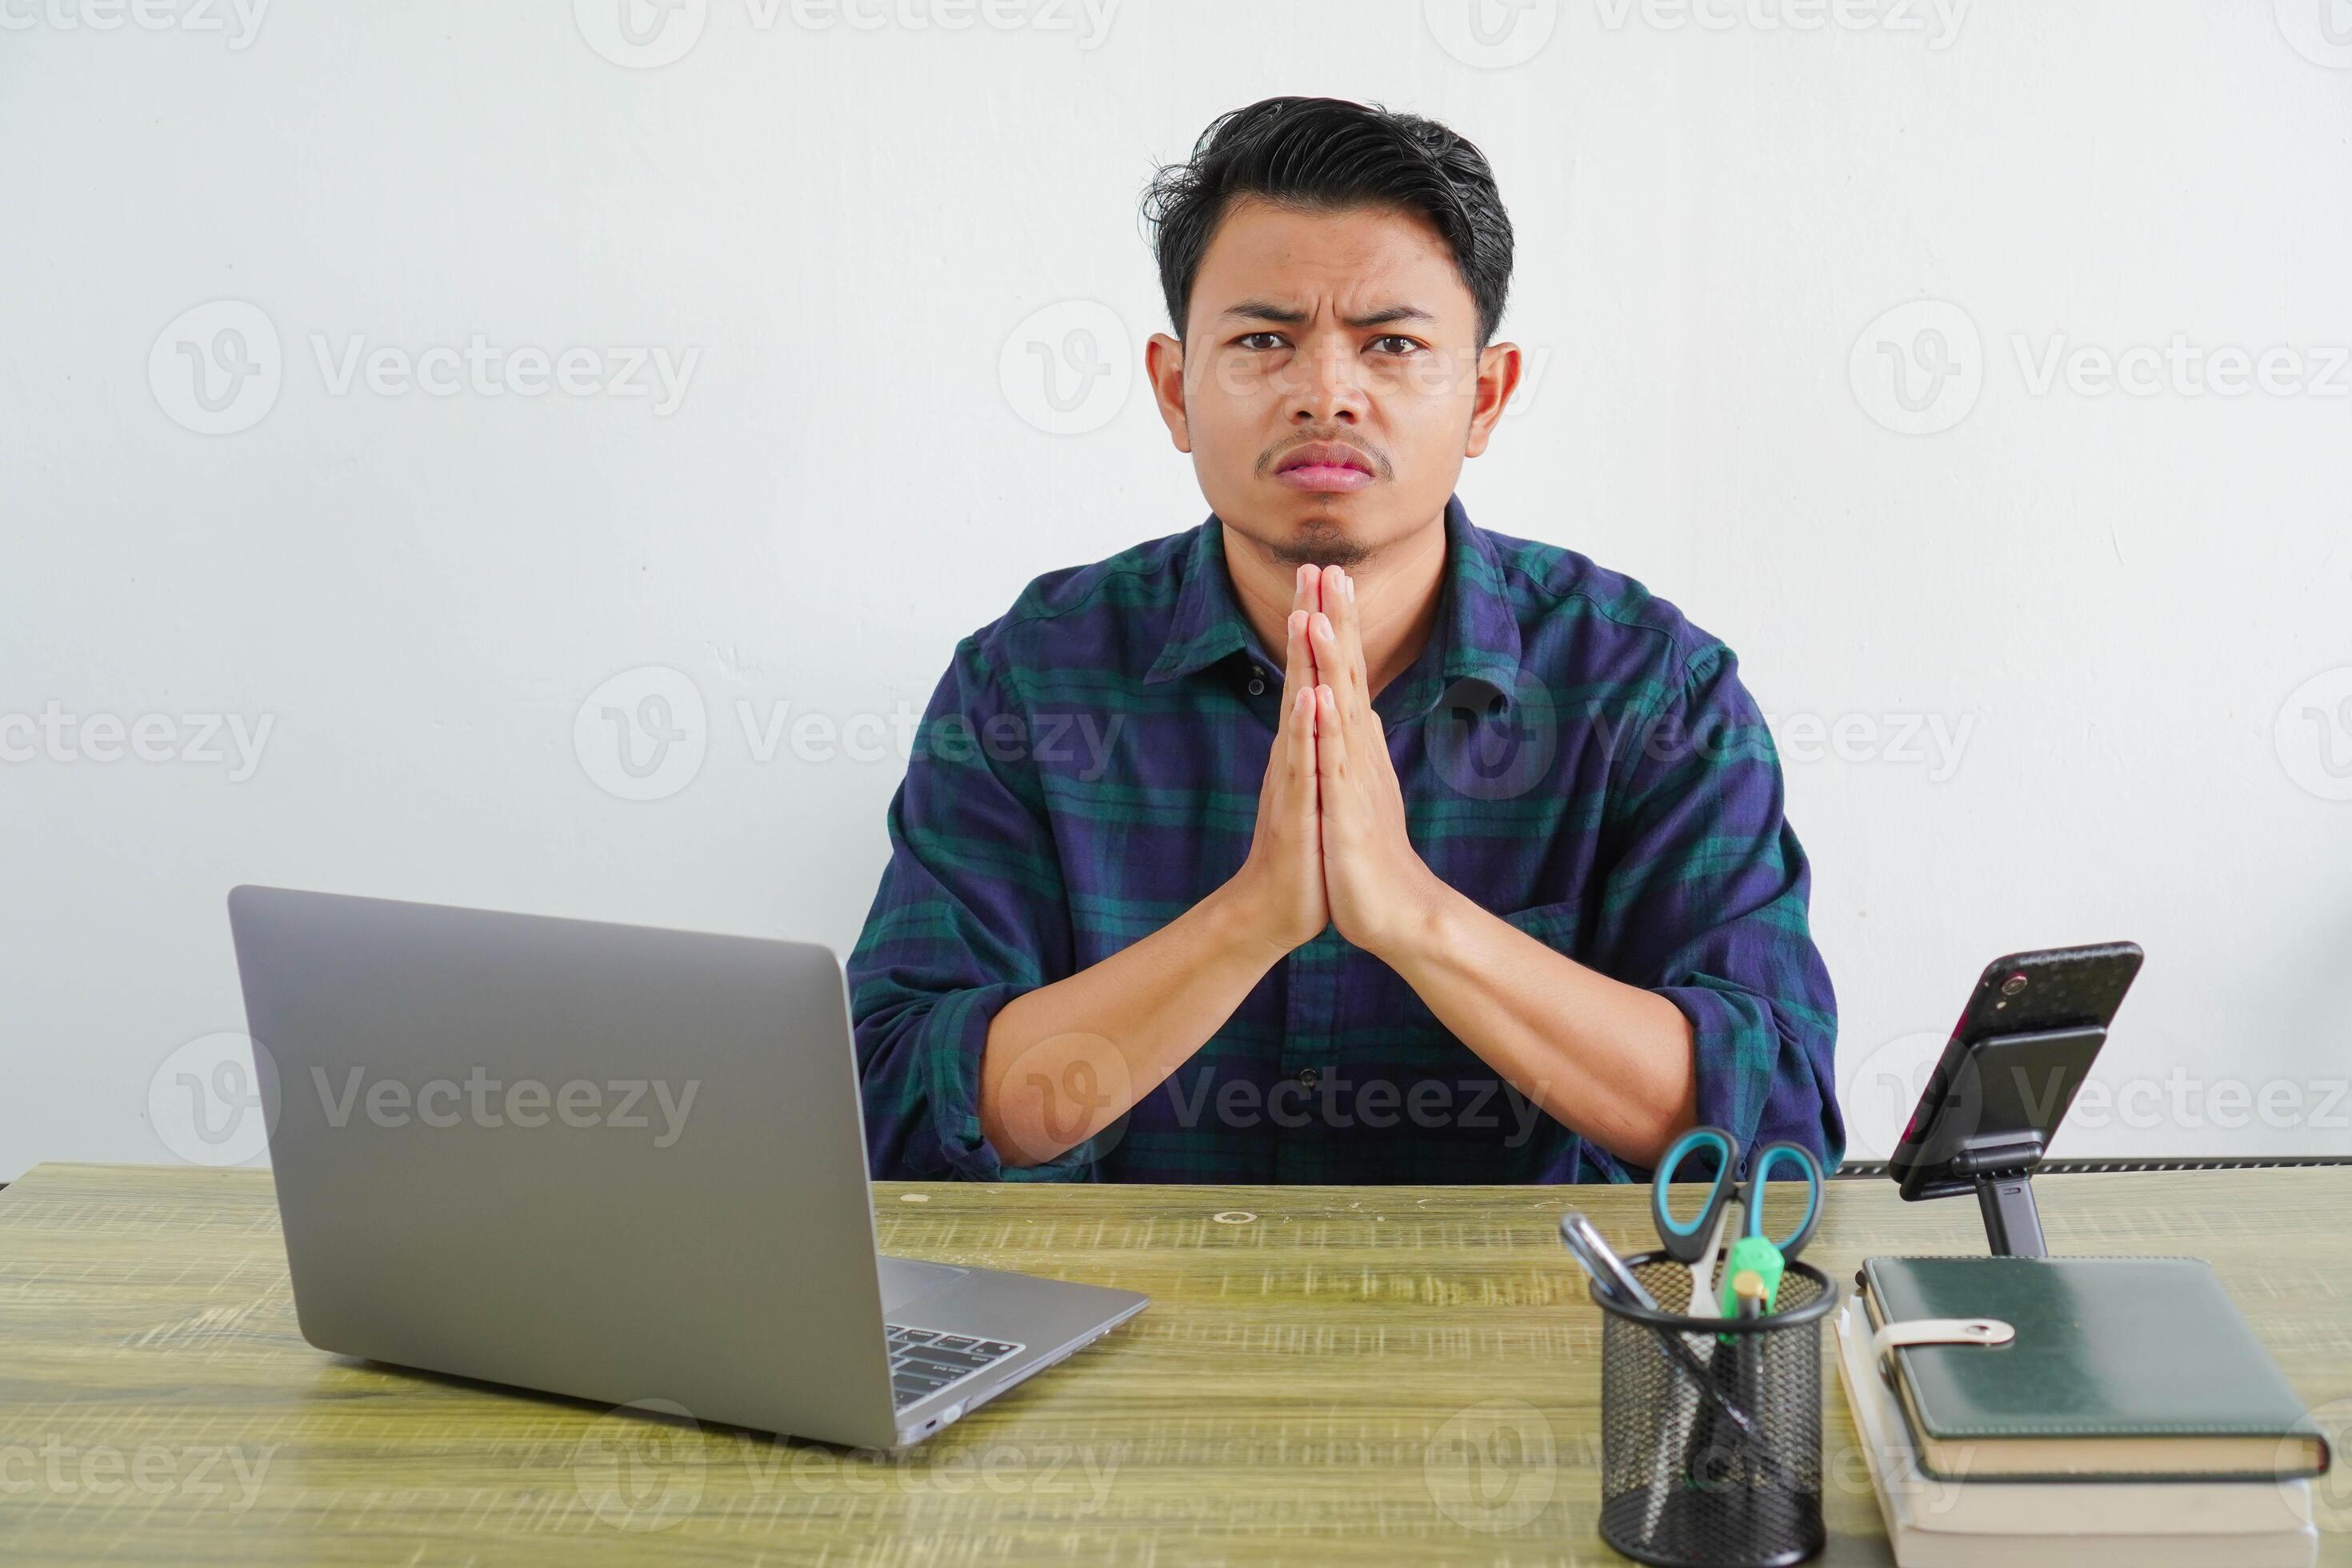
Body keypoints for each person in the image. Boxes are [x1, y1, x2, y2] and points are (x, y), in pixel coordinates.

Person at [848, 96, 1842, 1184]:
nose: (1327, 393)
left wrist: (1415, 916)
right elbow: (892, 1111)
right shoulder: (1030, 684)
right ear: (1176, 391)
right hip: (1128, 1337)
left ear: (1485, 396)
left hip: (1534, 1346)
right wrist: (1248, 920)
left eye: (1394, 345)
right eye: (1265, 340)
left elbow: (1776, 1122)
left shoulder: (1652, 691)